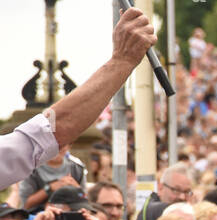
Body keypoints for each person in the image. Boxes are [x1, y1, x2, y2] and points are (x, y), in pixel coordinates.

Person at [0, 8, 155, 190]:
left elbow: (48, 132)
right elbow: (52, 131)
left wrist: (122, 61)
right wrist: (123, 61)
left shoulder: (75, 167)